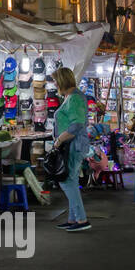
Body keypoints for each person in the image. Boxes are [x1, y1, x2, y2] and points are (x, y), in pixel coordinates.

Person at [50, 66, 91, 232]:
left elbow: (77, 125)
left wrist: (59, 139)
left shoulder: (74, 98)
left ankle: (81, 219)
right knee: (70, 181)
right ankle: (74, 218)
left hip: (74, 145)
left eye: (55, 80)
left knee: (67, 181)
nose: (54, 84)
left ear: (62, 80)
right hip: (71, 145)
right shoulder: (70, 97)